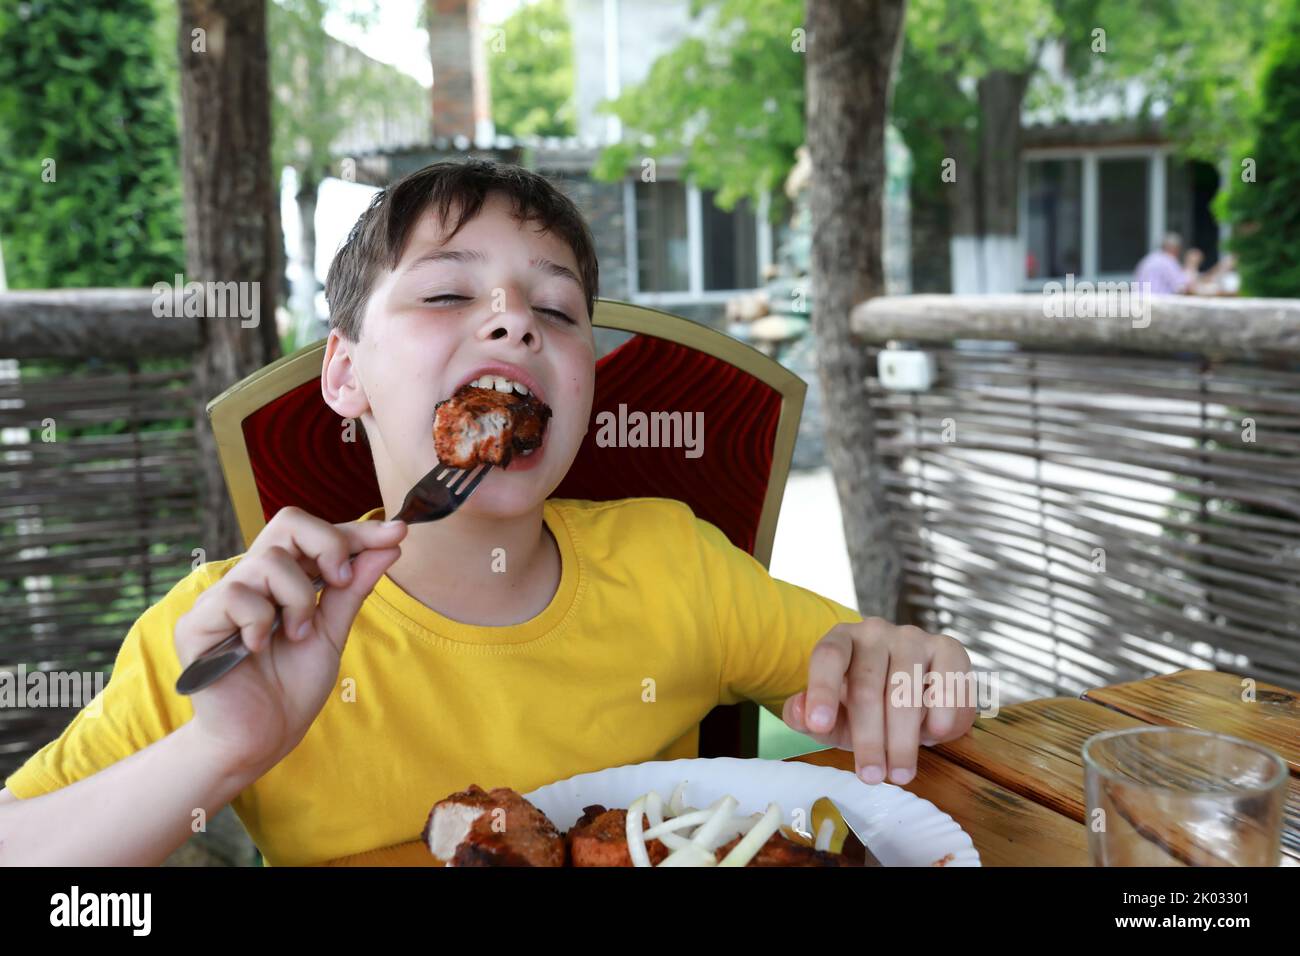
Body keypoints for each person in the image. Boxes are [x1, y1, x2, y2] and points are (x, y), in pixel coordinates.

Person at [0, 160, 976, 866]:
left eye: (556, 312)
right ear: (345, 373)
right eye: (446, 292)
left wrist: (914, 673)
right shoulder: (236, 626)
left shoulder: (674, 562)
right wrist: (223, 747)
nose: (514, 318)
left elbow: (890, 693)